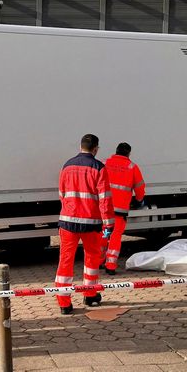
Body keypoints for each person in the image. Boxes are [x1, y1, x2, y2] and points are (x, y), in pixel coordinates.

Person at [54, 134, 114, 314]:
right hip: (91, 223)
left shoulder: (67, 166)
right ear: (95, 149)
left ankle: (64, 303)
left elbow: (62, 194)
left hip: (68, 222)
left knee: (65, 261)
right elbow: (105, 200)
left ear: (80, 147)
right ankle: (90, 295)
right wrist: (109, 224)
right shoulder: (98, 167)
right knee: (92, 259)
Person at [103, 142, 146, 275]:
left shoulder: (105, 163)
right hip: (120, 211)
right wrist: (139, 201)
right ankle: (110, 265)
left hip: (104, 208)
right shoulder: (132, 167)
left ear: (116, 151)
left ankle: (98, 261)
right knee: (115, 237)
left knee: (104, 234)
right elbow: (140, 188)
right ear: (128, 153)